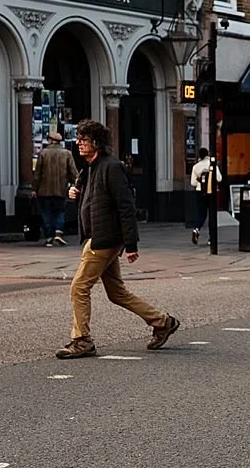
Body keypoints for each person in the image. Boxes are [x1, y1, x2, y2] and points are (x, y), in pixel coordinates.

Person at [58, 119, 179, 358]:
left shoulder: (112, 167)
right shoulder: (90, 167)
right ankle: (162, 322)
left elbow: (126, 206)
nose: (79, 143)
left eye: (85, 139)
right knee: (116, 293)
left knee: (79, 287)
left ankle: (82, 340)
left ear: (97, 143)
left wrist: (132, 243)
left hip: (105, 239)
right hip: (100, 236)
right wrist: (76, 192)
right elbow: (92, 198)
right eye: (79, 139)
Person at [33, 133, 76, 247]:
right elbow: (73, 172)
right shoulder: (67, 153)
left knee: (46, 213)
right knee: (60, 211)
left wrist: (34, 189)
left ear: (50, 141)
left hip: (44, 190)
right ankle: (59, 232)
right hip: (60, 190)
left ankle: (49, 238)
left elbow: (37, 174)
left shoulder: (43, 153)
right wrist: (77, 184)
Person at [188, 148, 220, 245]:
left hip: (199, 192)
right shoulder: (212, 164)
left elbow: (193, 183)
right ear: (207, 154)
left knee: (201, 214)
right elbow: (219, 178)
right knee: (212, 215)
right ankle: (211, 238)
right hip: (211, 192)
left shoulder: (196, 167)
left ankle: (196, 229)